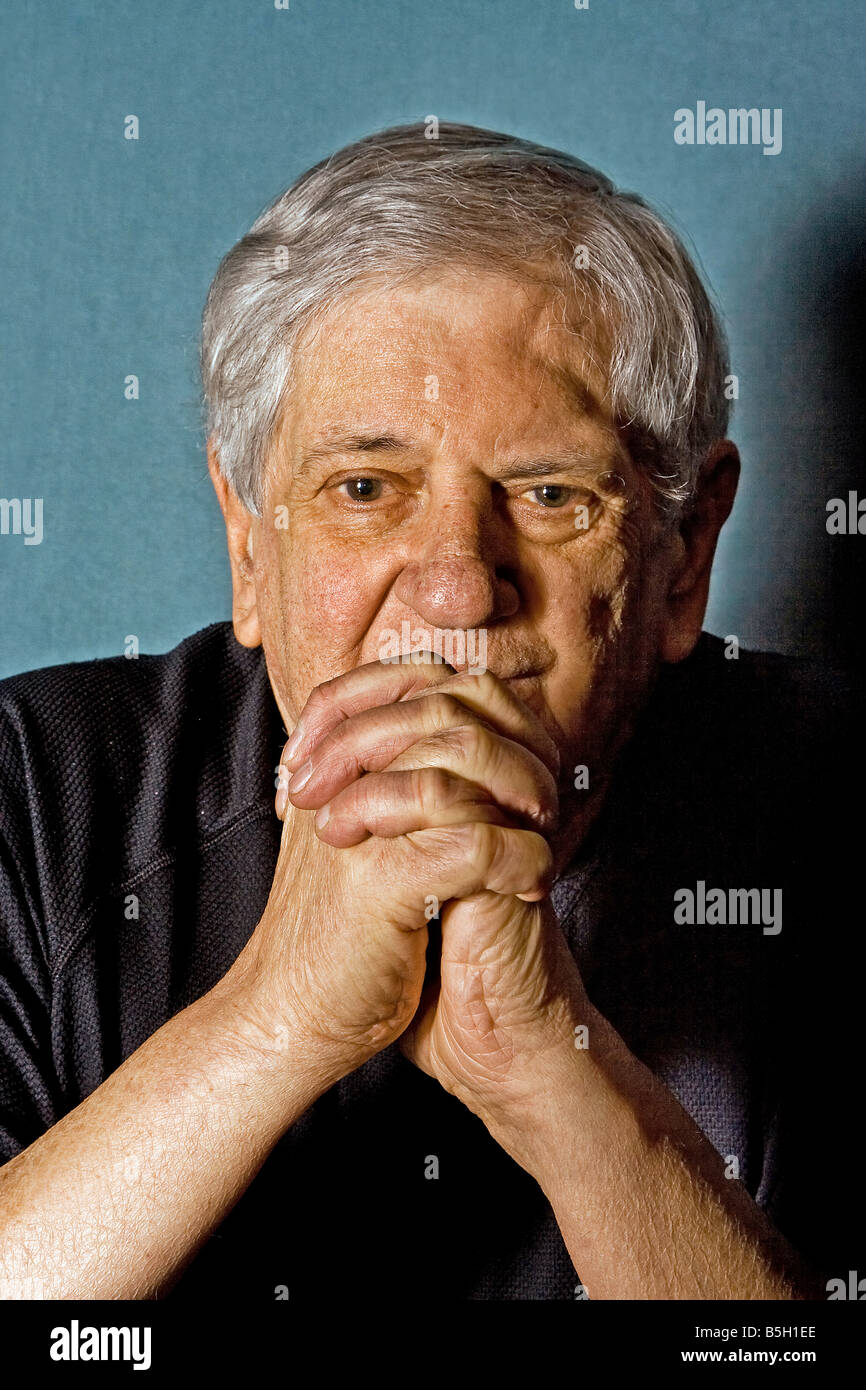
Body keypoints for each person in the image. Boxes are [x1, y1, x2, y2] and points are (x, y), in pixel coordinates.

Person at [0, 122, 860, 1301]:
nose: (456, 585)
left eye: (548, 493)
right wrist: (276, 1017)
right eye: (365, 488)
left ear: (684, 553)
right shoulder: (36, 795)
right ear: (248, 540)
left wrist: (554, 1076)